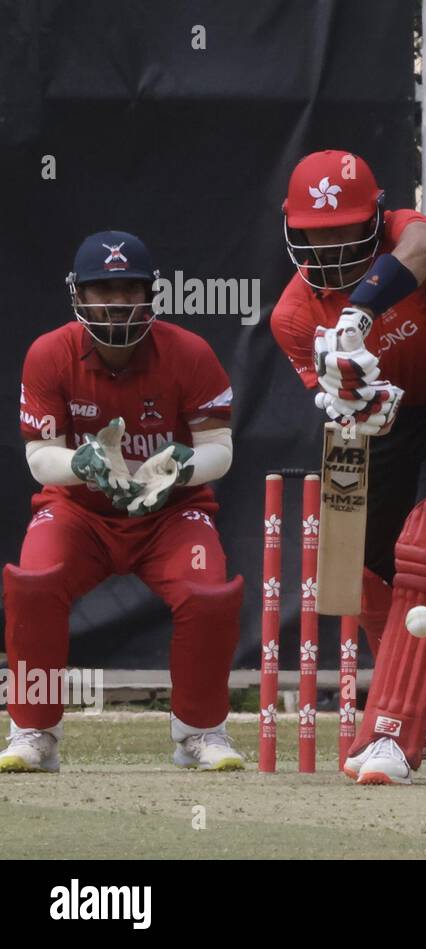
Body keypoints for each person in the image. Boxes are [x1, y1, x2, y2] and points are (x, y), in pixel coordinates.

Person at [270, 150, 426, 785]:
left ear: (374, 219)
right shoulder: (293, 317)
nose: (329, 250)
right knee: (356, 565)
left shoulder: (410, 234)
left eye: (345, 232)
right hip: (389, 426)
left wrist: (359, 315)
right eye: (315, 236)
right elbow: (337, 401)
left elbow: (414, 246)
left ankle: (394, 728)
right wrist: (358, 402)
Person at [2, 230, 244, 773]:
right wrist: (81, 466)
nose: (116, 302)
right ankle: (34, 731)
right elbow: (40, 456)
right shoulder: (51, 352)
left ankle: (200, 733)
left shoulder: (188, 352)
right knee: (33, 583)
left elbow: (219, 448)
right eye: (102, 290)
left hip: (169, 512)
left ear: (150, 294)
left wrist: (181, 467)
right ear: (78, 296)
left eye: (129, 290)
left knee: (208, 594)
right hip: (79, 510)